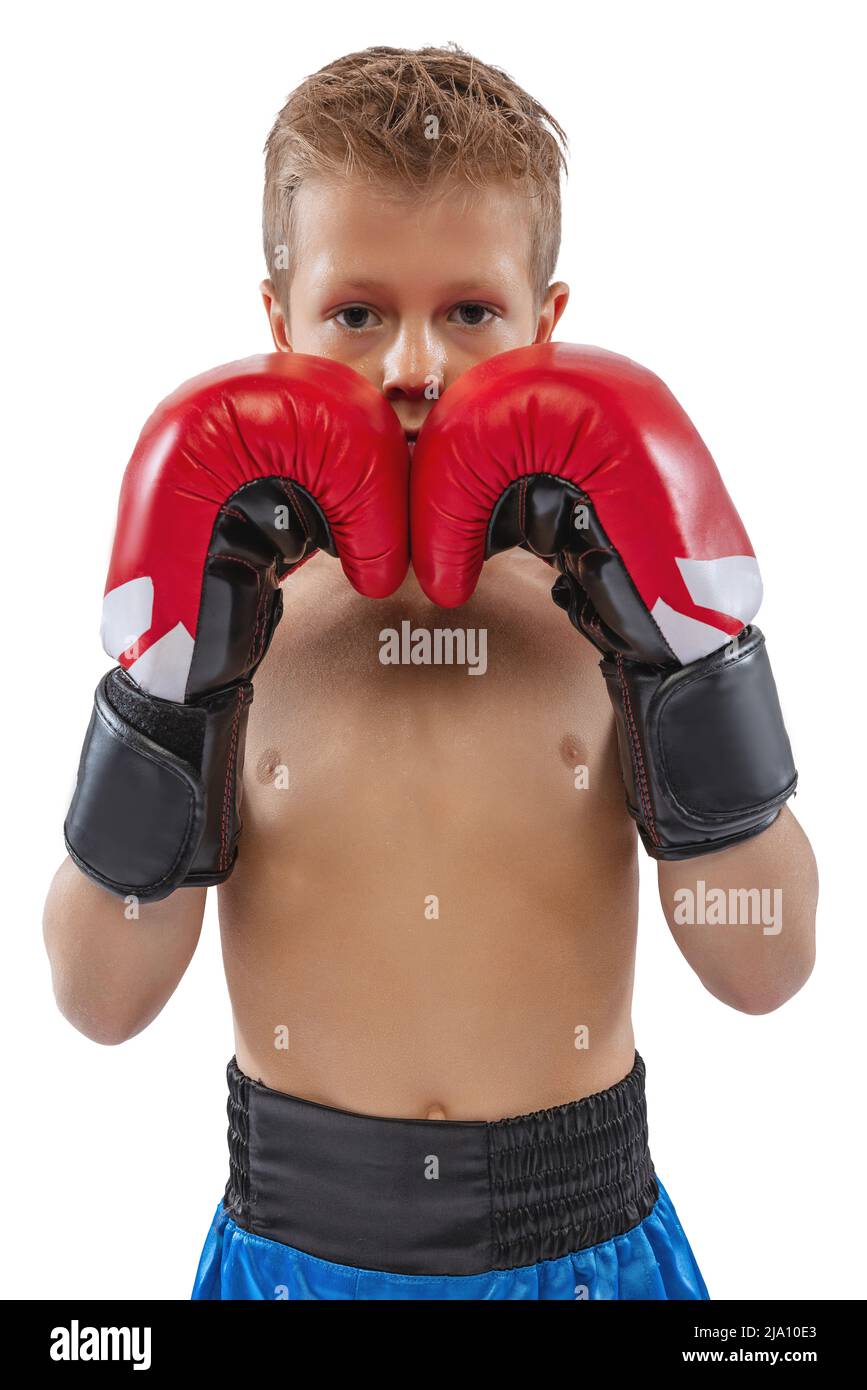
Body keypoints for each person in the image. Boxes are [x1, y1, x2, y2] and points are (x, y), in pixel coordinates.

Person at [43, 44, 817, 1301]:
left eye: (469, 310)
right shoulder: (245, 629)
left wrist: (686, 649)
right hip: (294, 1257)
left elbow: (767, 964)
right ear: (275, 326)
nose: (414, 364)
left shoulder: (595, 617)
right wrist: (167, 690)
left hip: (585, 1255)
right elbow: (98, 995)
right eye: (357, 312)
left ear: (547, 325)